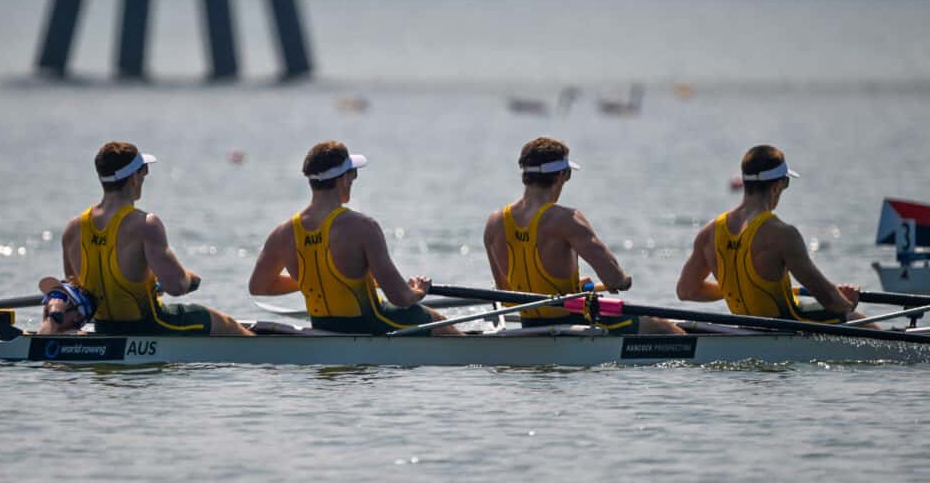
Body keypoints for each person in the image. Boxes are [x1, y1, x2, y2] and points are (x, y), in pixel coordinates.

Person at [249, 141, 457, 335]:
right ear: (343, 179)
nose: (353, 180)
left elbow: (259, 286)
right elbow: (401, 298)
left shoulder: (282, 234)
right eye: (354, 174)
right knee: (435, 319)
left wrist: (311, 280)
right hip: (372, 323)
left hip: (323, 327)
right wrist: (419, 290)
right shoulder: (364, 227)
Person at [482, 137, 683, 335]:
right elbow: (612, 278)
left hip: (530, 326)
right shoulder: (566, 219)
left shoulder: (495, 223)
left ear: (525, 176)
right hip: (574, 322)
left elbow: (507, 296)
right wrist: (624, 281)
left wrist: (569, 289)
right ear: (562, 175)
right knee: (660, 324)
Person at [59, 142, 254, 336]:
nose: (145, 175)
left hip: (104, 329)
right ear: (134, 177)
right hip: (152, 326)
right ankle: (266, 360)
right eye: (144, 170)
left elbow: (76, 292)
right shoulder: (145, 224)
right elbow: (176, 286)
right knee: (226, 323)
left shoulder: (73, 229)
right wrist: (191, 280)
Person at [675, 144, 866, 323]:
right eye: (786, 183)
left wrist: (737, 288)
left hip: (746, 326)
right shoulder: (783, 235)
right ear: (777, 186)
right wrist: (849, 302)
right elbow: (830, 300)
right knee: (857, 319)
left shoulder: (709, 233)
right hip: (787, 325)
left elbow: (686, 291)